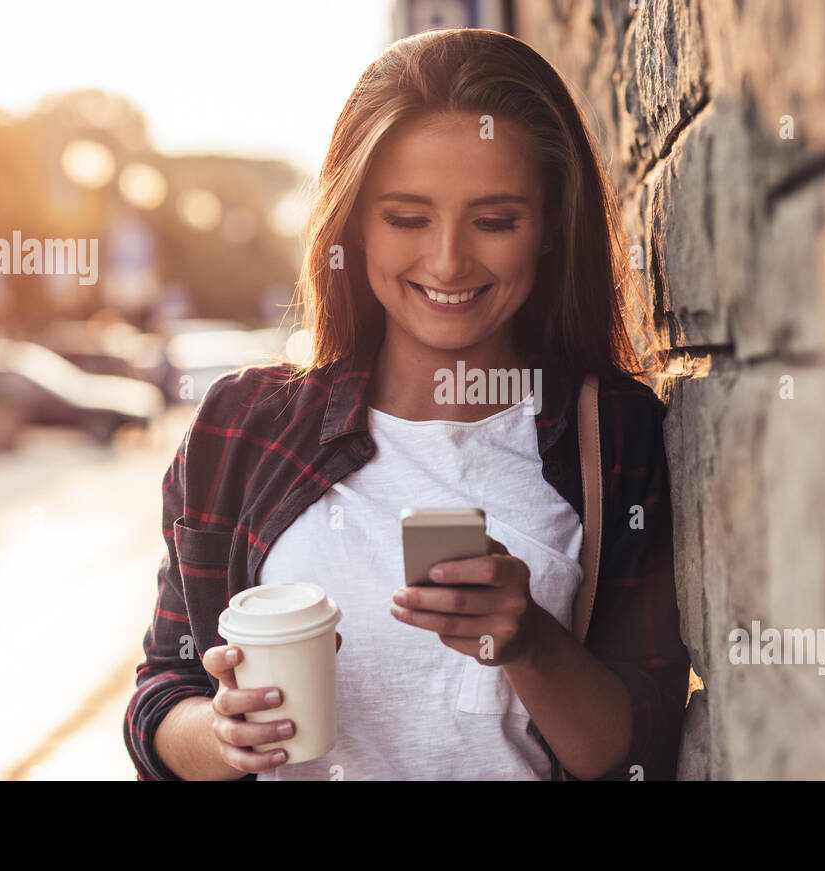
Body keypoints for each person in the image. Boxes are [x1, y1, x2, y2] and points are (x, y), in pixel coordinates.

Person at [124, 27, 689, 781]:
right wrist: (223, 733)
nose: (448, 260)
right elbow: (163, 694)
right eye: (407, 218)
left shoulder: (612, 432)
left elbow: (637, 750)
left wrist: (528, 642)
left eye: (495, 220)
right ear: (354, 222)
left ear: (553, 225)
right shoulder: (242, 426)